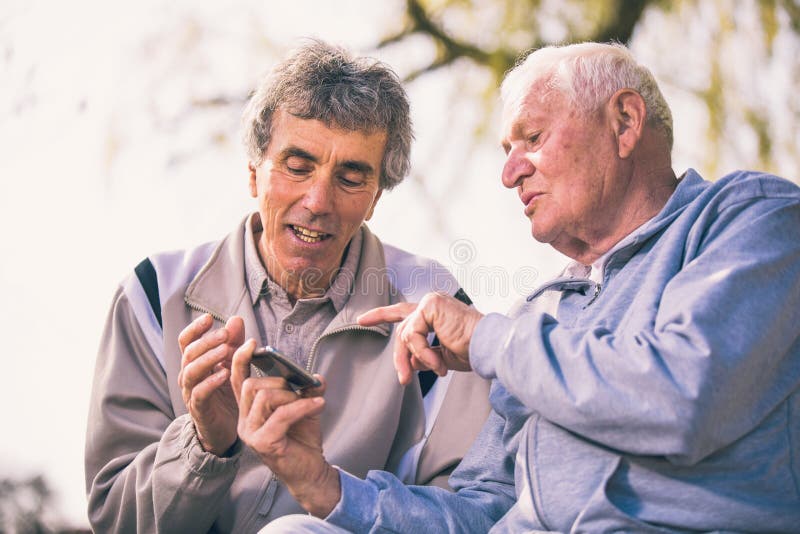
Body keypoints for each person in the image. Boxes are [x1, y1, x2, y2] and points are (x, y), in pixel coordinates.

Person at [238, 42, 800, 533]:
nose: (510, 174)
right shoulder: (542, 309)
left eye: (532, 137)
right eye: (506, 153)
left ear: (625, 123)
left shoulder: (749, 218)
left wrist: (489, 342)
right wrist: (325, 489)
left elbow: (683, 397)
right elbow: (485, 513)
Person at [84, 40, 491, 533]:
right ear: (253, 172)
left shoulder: (434, 308)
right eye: (298, 167)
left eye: (350, 178)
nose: (318, 200)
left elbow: (477, 516)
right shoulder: (152, 296)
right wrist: (203, 445)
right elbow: (114, 522)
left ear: (376, 198)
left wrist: (331, 494)